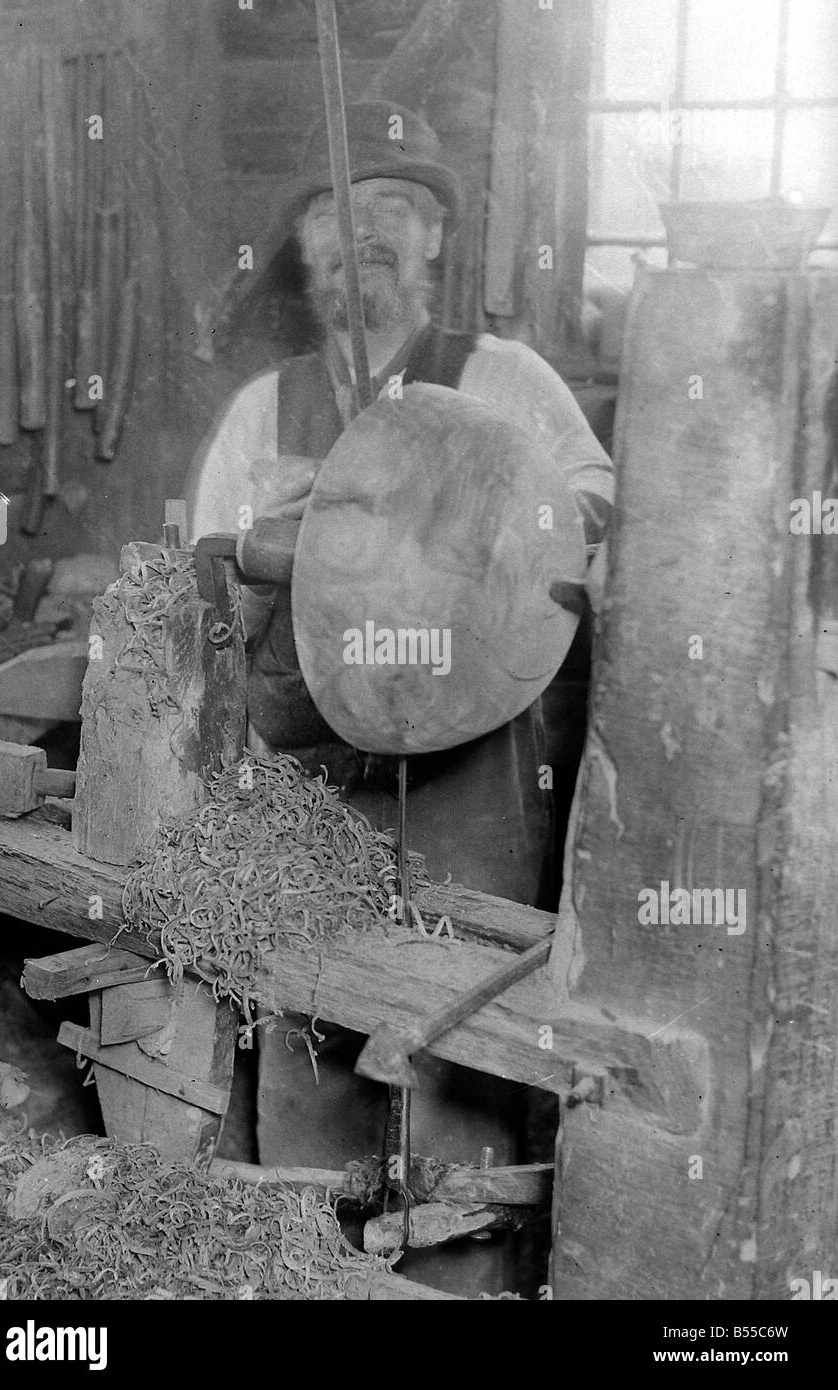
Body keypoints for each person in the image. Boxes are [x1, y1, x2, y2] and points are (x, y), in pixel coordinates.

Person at [186, 102, 613, 1294]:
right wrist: (272, 529)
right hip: (303, 788)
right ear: (306, 261)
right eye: (333, 221)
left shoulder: (505, 378)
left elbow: (589, 524)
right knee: (307, 1051)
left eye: (389, 217)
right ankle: (308, 1264)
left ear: (432, 244)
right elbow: (197, 580)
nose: (359, 240)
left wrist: (460, 509)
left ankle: (463, 1275)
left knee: (459, 1057)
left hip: (472, 783)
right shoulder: (259, 410)